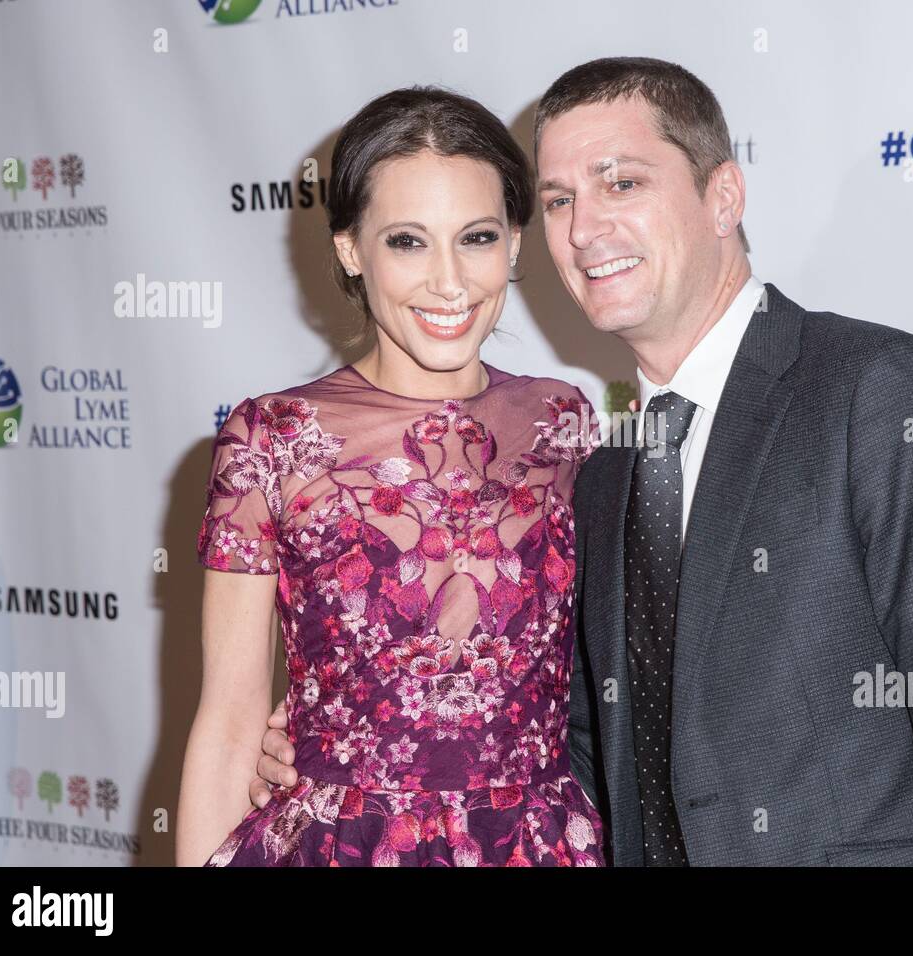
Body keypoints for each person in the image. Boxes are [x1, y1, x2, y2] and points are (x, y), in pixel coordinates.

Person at [253, 57, 913, 867]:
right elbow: (571, 742)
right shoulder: (598, 470)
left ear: (724, 196)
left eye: (623, 184)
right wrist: (364, 736)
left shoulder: (881, 392)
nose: (584, 228)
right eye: (562, 199)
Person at [175, 87, 604, 867]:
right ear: (349, 249)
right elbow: (231, 719)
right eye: (408, 241)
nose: (449, 283)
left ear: (513, 243)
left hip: (534, 846)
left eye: (475, 238)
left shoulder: (563, 424)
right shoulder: (273, 437)